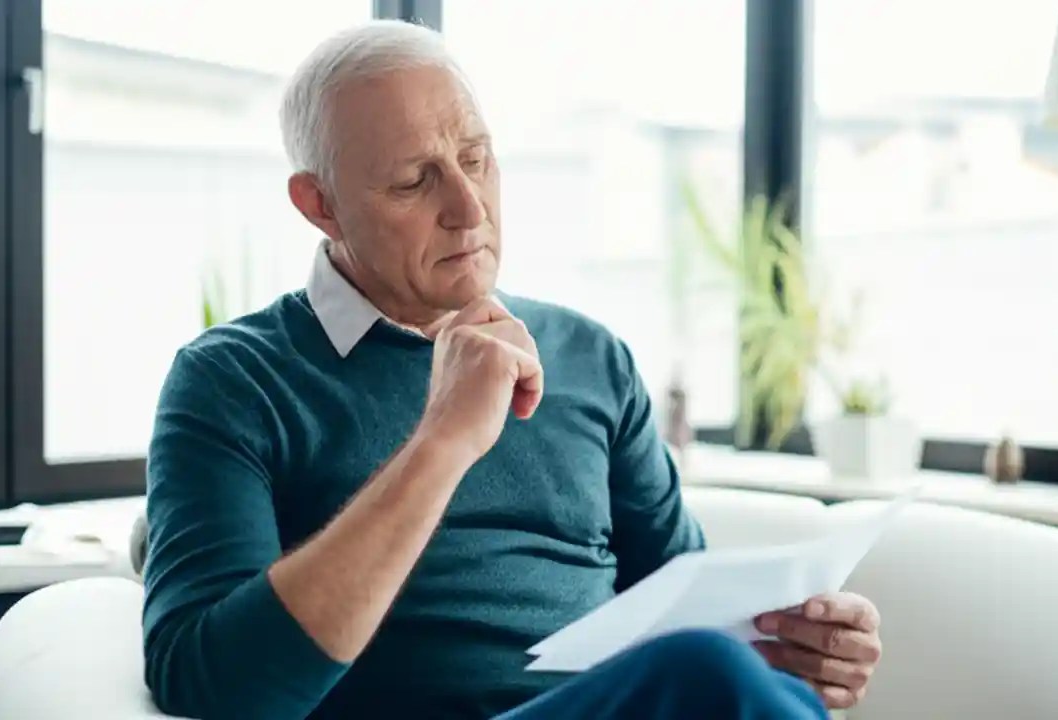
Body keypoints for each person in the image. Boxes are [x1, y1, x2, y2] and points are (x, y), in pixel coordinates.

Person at [141, 19, 882, 720]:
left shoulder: (591, 358)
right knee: (705, 672)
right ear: (320, 205)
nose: (469, 210)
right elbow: (211, 683)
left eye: (475, 159)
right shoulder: (232, 382)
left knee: (722, 670)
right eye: (414, 181)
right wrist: (442, 440)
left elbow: (683, 606)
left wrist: (785, 647)